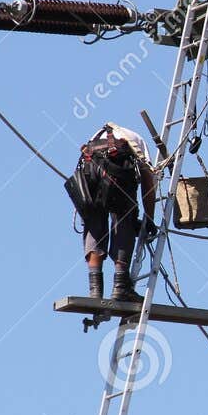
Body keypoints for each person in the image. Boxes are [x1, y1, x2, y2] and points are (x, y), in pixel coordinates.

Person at [66, 120, 158, 303]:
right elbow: (148, 181)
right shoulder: (137, 141)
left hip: (90, 175)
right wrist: (149, 217)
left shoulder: (95, 139)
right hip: (117, 173)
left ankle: (95, 292)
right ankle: (121, 287)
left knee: (94, 223)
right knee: (124, 221)